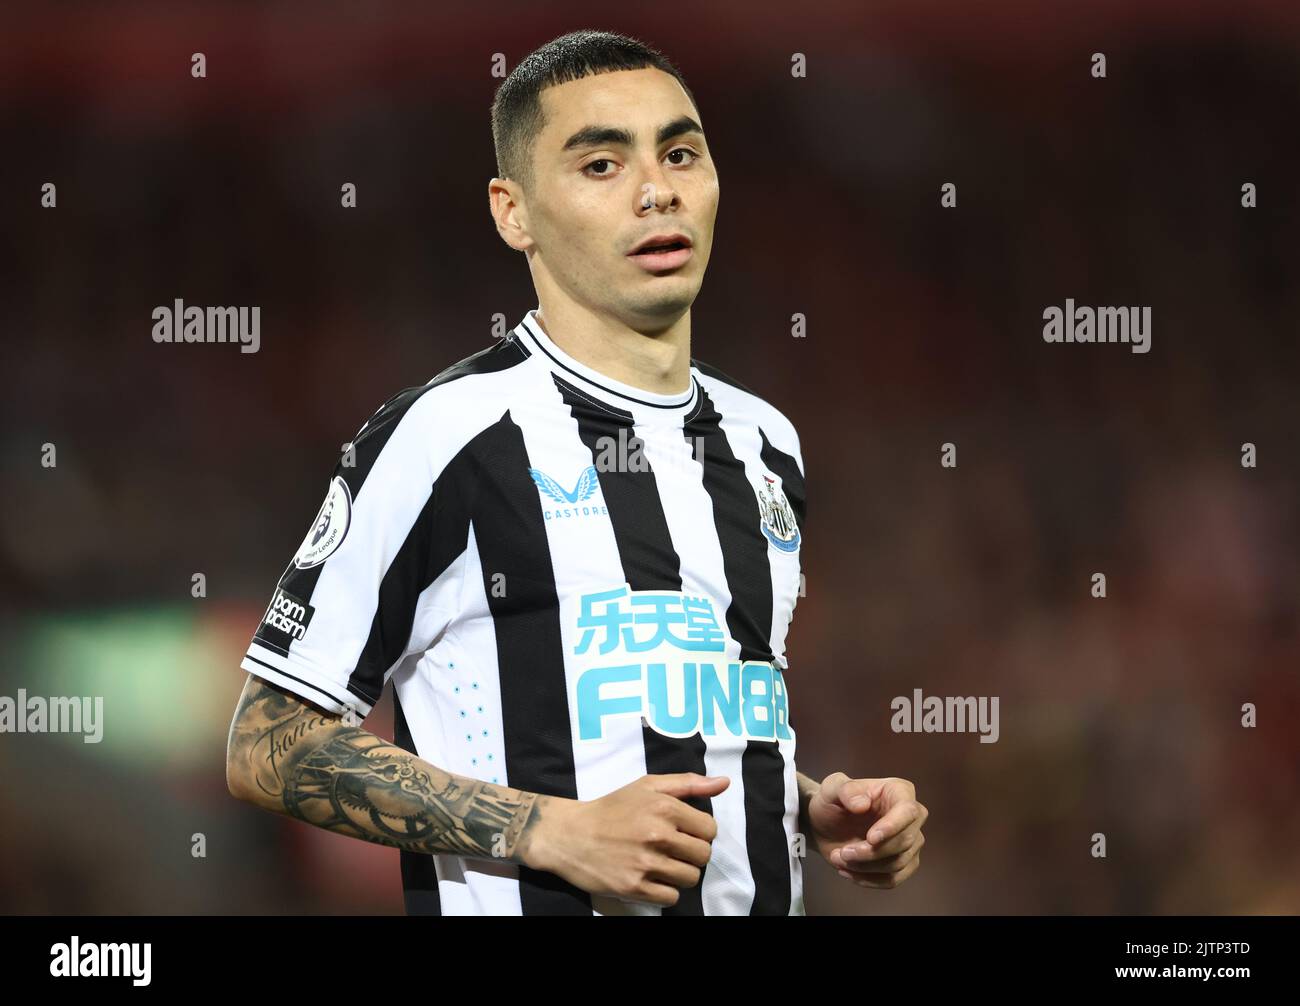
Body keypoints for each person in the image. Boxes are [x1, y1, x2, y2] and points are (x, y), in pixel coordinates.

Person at [225, 28, 927, 916]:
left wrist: (801, 804)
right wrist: (545, 830)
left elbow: (681, 720)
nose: (656, 190)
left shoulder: (764, 442)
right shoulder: (451, 436)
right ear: (512, 212)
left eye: (680, 154)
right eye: (601, 165)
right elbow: (269, 741)